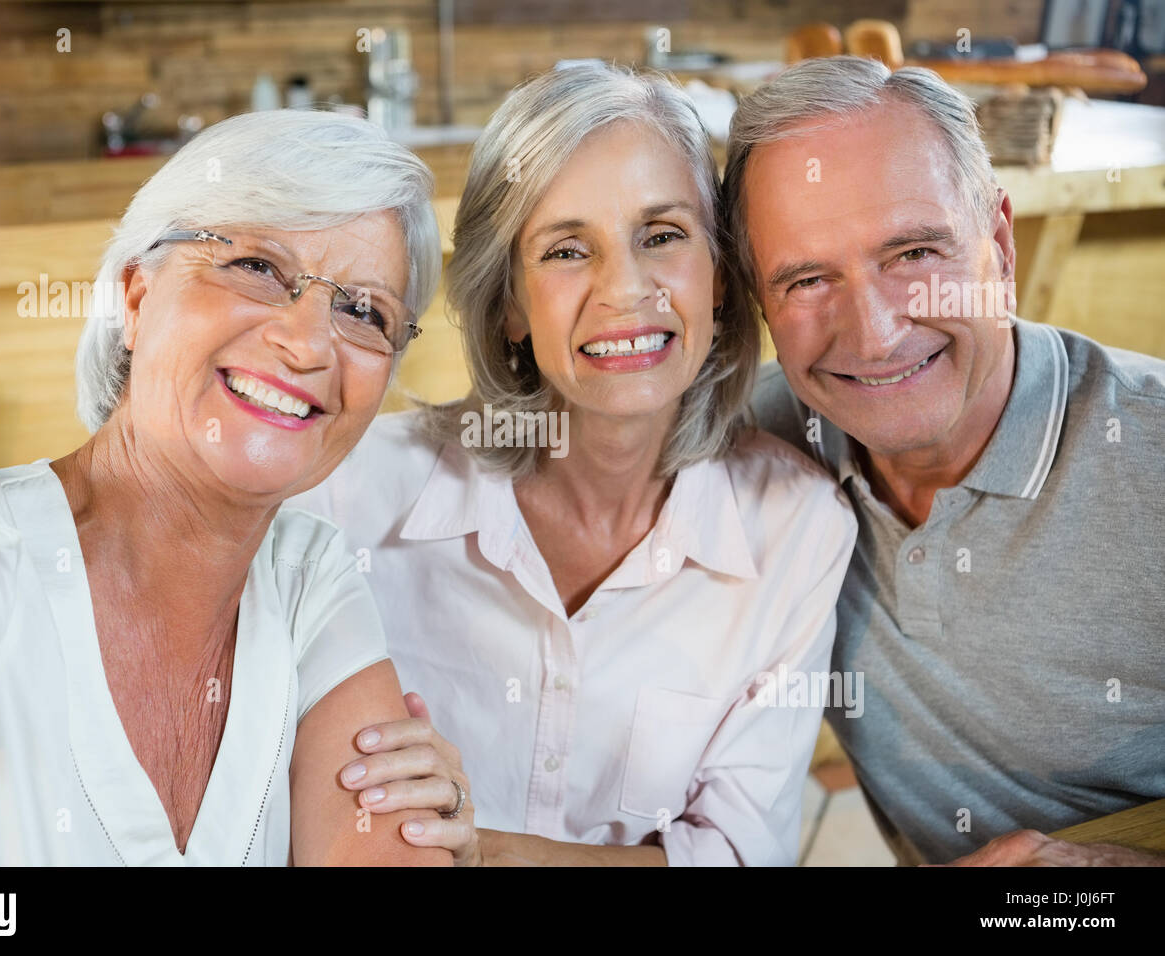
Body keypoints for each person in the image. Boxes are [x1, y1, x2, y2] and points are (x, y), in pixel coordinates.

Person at [292, 64, 859, 865]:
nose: (626, 289)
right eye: (566, 250)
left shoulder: (796, 527)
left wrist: (477, 850)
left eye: (662, 236)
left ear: (721, 278)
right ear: (511, 306)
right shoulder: (345, 491)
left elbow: (738, 857)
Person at [0, 109, 455, 866]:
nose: (308, 343)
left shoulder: (310, 576)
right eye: (257, 267)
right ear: (136, 300)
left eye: (363, 310)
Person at [727, 56, 1165, 865]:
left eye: (914, 254)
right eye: (807, 279)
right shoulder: (759, 445)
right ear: (761, 305)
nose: (875, 335)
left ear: (998, 243)